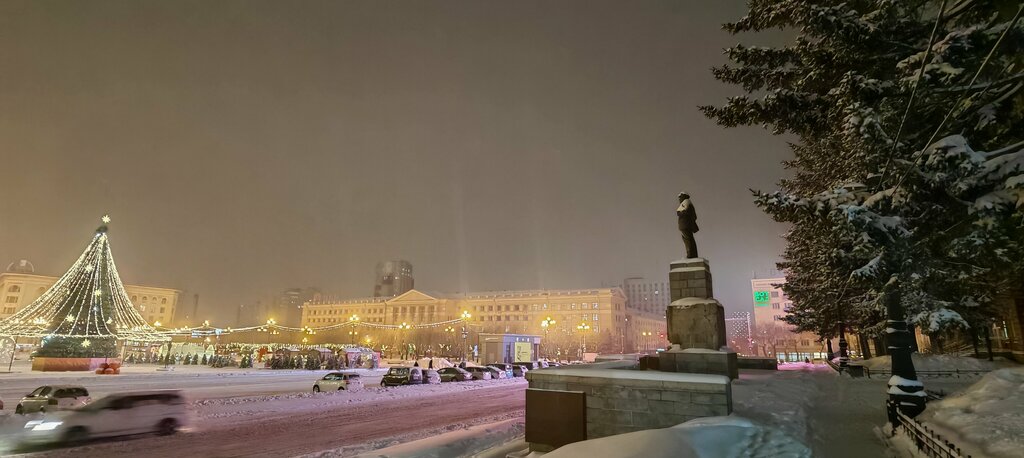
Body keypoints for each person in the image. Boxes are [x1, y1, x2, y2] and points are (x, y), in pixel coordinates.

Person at [676, 192, 699, 258]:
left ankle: (690, 255)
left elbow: (682, 212)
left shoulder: (686, 203)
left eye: (680, 197)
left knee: (688, 240)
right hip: (685, 225)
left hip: (685, 225)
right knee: (689, 239)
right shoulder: (688, 203)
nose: (679, 199)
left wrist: (681, 213)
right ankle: (692, 254)